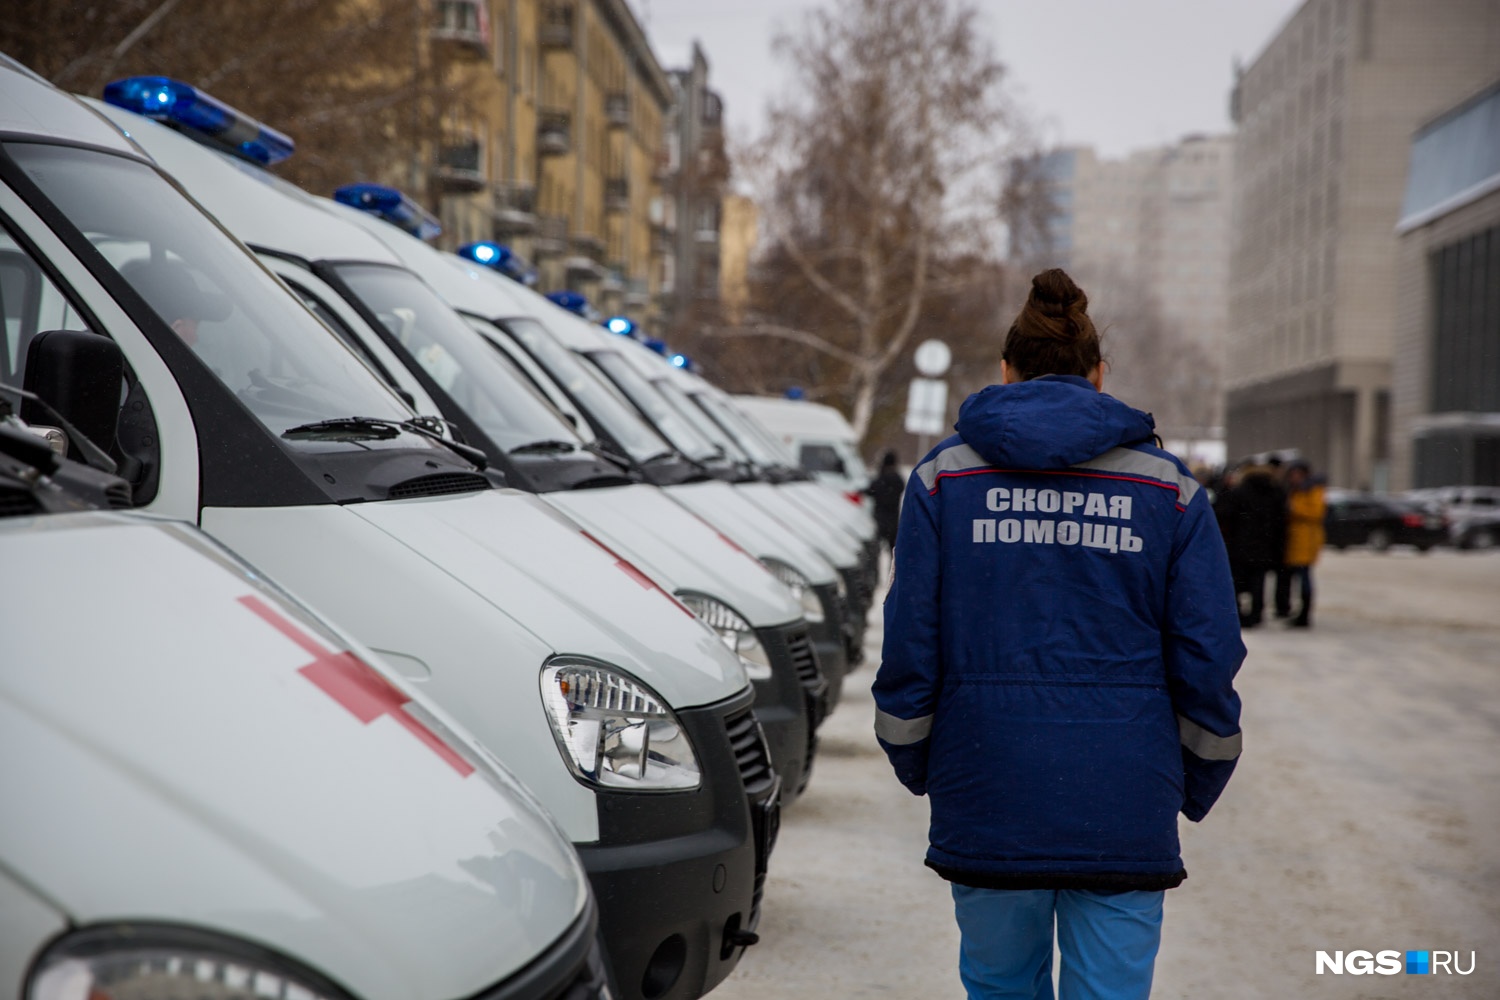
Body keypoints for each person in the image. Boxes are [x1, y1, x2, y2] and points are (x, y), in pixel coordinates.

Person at [873, 269, 1244, 1000]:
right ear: (1099, 376)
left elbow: (909, 641)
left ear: (1006, 373)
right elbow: (1207, 652)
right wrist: (1191, 779)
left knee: (1000, 986)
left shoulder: (943, 481)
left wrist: (924, 763)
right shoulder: (1169, 489)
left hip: (987, 782)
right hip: (1124, 798)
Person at [1214, 461, 1287, 628]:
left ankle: (1239, 613)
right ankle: (1256, 613)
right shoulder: (1275, 493)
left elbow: (1225, 514)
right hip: (1265, 546)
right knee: (1258, 582)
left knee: (1238, 581)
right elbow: (1280, 522)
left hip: (1241, 544)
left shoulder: (1240, 492)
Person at [1275, 461, 1325, 627]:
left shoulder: (1312, 490)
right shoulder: (1294, 490)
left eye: (1297, 474)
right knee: (1293, 580)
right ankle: (1294, 611)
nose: (1294, 477)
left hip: (1306, 541)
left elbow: (1316, 512)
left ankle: (1305, 614)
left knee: (1304, 580)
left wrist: (1294, 508)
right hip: (1293, 542)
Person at [866, 449, 905, 561]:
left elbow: (871, 490)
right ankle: (892, 575)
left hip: (879, 520)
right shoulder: (897, 479)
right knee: (894, 555)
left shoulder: (881, 478)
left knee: (875, 554)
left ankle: (875, 574)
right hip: (893, 520)